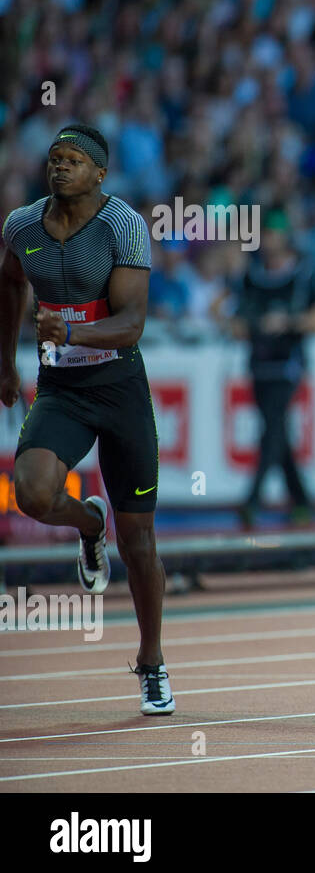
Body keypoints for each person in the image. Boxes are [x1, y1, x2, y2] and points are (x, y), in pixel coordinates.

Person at [0, 123, 173, 715]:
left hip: (120, 390)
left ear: (100, 174)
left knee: (141, 541)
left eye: (74, 160)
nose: (60, 167)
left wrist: (69, 330)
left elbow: (131, 325)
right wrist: (4, 363)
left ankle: (151, 661)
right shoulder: (22, 226)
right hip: (63, 391)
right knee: (31, 492)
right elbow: (8, 282)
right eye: (54, 158)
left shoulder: (121, 225)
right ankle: (88, 524)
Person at [232, 218, 315, 529]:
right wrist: (248, 326)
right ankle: (302, 501)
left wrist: (286, 323)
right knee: (277, 432)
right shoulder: (251, 275)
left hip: (288, 363)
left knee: (273, 428)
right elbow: (235, 318)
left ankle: (252, 500)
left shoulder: (305, 274)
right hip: (258, 363)